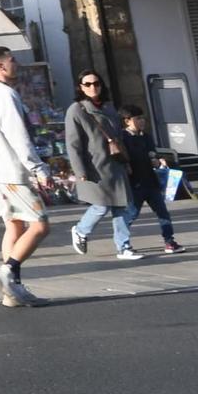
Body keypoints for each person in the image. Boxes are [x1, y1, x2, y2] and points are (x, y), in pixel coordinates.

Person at [0, 46, 52, 307]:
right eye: (12, 60)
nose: (16, 64)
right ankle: (8, 271)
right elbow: (17, 135)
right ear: (0, 66)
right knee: (40, 224)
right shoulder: (5, 95)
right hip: (11, 171)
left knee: (15, 226)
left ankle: (12, 291)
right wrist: (38, 168)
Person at [66, 70, 139, 259]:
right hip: (95, 167)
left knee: (121, 206)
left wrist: (127, 161)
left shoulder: (109, 108)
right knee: (101, 205)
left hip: (115, 163)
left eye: (96, 83)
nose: (93, 87)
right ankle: (81, 230)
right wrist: (79, 170)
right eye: (87, 84)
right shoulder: (77, 109)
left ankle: (124, 247)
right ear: (80, 87)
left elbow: (119, 137)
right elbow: (73, 144)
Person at [117, 104, 184, 254]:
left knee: (163, 212)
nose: (142, 121)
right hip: (135, 183)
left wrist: (158, 160)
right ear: (127, 121)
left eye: (143, 118)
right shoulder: (123, 138)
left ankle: (169, 241)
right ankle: (123, 244)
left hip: (151, 181)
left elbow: (152, 153)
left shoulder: (146, 136)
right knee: (131, 214)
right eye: (138, 118)